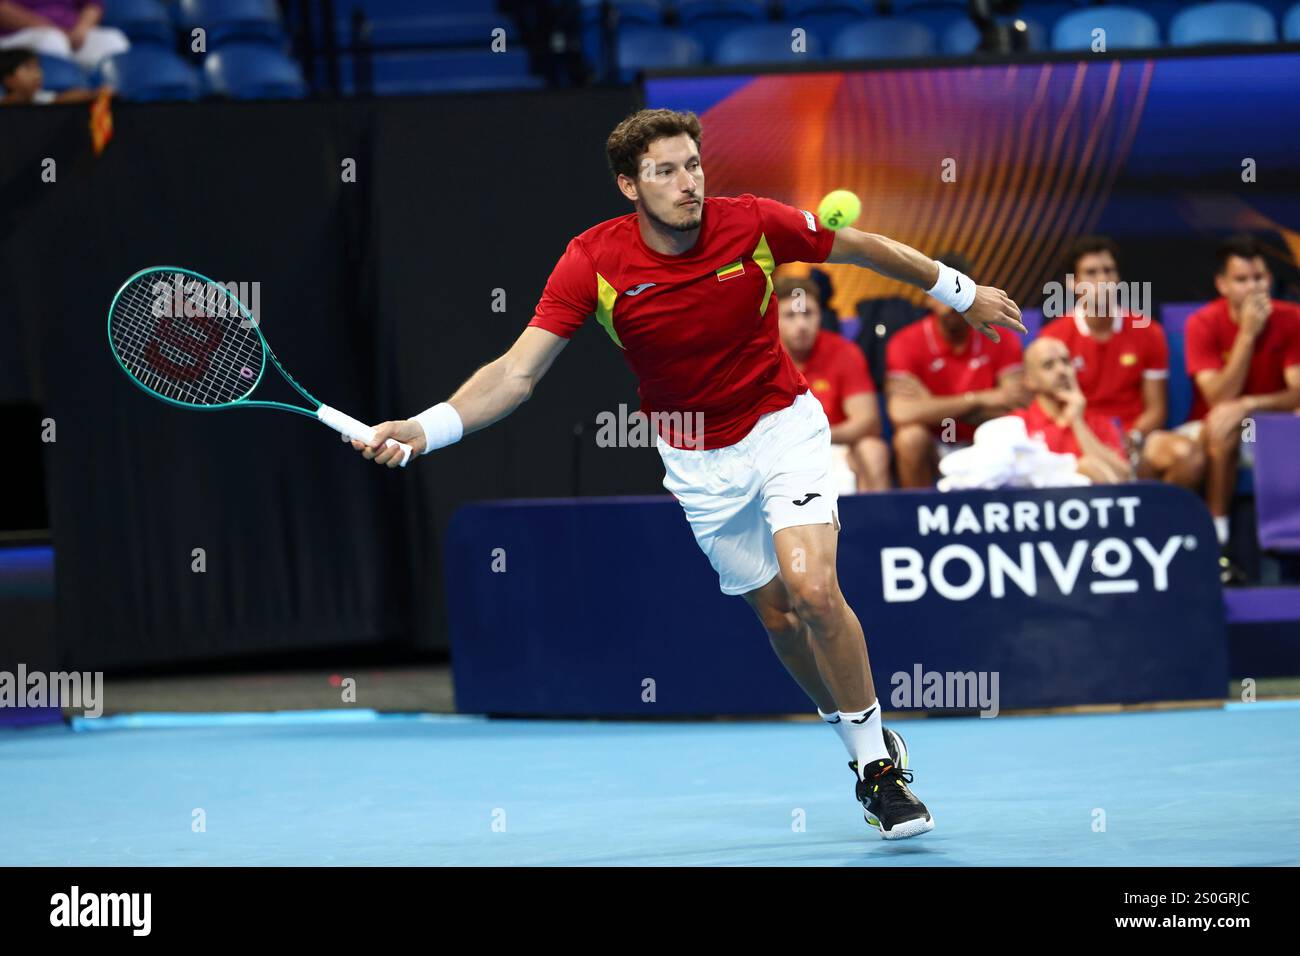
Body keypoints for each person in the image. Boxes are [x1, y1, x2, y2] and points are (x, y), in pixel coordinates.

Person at [347, 109, 1025, 840]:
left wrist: (961, 290)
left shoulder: (753, 223)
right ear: (628, 186)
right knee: (779, 618)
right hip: (698, 459)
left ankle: (878, 771)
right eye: (665, 171)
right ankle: (859, 744)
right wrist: (427, 428)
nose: (687, 182)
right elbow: (516, 374)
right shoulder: (593, 262)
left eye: (693, 164)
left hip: (780, 425)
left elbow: (858, 245)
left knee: (814, 590)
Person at [1039, 235, 1204, 488]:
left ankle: (1158, 522)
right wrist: (1092, 442)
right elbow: (1050, 409)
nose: (1102, 280)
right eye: (1091, 273)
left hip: (1132, 438)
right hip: (1079, 438)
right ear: (1074, 284)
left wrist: (1133, 437)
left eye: (1108, 271)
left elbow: (1156, 409)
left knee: (1187, 456)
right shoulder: (1053, 337)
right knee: (1094, 470)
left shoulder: (1148, 331)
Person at [1181, 235, 1300, 557]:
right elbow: (1218, 397)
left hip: (1271, 429)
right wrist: (1247, 334)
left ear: (1270, 280)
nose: (1253, 287)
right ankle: (1217, 536)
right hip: (1209, 428)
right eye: (1242, 280)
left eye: (1259, 278)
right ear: (1222, 284)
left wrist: (1249, 404)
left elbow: (1297, 391)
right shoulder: (1202, 323)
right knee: (1225, 426)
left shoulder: (1291, 318)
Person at [885, 252, 1027, 487]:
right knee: (910, 438)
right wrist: (980, 399)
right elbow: (902, 413)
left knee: (1013, 432)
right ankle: (917, 518)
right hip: (934, 443)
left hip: (985, 440)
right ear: (928, 296)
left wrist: (931, 405)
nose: (951, 301)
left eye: (959, 290)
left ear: (975, 293)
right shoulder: (905, 342)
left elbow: (1018, 406)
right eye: (943, 292)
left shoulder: (1000, 336)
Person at [774, 273, 890, 492]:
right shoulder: (760, 358)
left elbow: (868, 423)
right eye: (790, 315)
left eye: (808, 314)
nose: (801, 324)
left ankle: (878, 524)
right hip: (776, 452)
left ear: (820, 315)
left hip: (833, 446)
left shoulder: (845, 352)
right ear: (774, 318)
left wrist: (813, 436)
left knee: (873, 449)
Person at [1013, 337, 1133, 484]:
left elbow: (1123, 478)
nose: (1062, 370)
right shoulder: (1017, 425)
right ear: (1029, 380)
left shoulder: (1099, 423)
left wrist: (1077, 421)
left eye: (1065, 361)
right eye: (1048, 365)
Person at [0, 1, 128, 71]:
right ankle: (56, 98)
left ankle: (113, 101)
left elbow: (93, 5)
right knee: (52, 40)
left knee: (113, 40)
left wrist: (82, 29)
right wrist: (54, 30)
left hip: (71, 35)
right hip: (17, 35)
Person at [0, 45, 101, 102]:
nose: (38, 74)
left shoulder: (41, 100)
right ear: (9, 79)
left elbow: (63, 98)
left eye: (38, 68)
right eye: (28, 68)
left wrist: (95, 94)